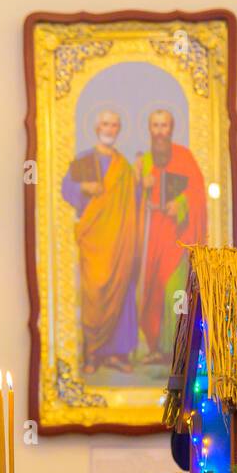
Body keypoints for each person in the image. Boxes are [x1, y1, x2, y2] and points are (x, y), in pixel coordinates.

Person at [61, 109, 140, 374]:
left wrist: (141, 179)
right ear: (97, 127)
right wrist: (84, 188)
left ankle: (117, 354)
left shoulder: (124, 167)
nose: (110, 129)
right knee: (94, 293)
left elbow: (133, 200)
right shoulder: (84, 160)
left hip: (120, 241)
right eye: (106, 124)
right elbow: (66, 189)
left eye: (115, 125)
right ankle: (92, 353)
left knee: (122, 290)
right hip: (95, 240)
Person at [135, 109, 206, 362]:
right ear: (149, 129)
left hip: (178, 234)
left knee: (173, 288)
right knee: (151, 289)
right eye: (155, 125)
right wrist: (139, 186)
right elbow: (128, 203)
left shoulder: (184, 157)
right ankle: (155, 349)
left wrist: (181, 204)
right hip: (152, 231)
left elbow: (198, 191)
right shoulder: (143, 162)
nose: (160, 130)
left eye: (164, 125)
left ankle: (176, 350)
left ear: (171, 128)